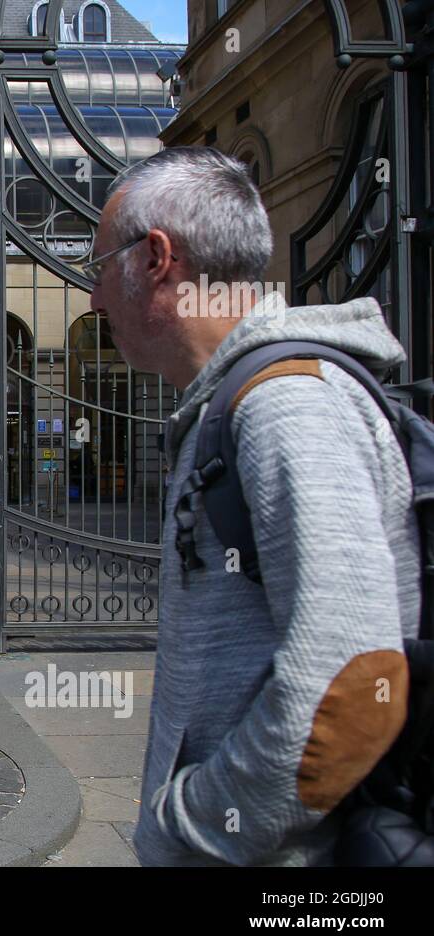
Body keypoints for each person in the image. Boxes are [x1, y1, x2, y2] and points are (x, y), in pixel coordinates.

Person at [88, 147, 416, 866]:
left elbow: (354, 684)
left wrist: (195, 822)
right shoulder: (233, 400)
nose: (93, 300)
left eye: (99, 269)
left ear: (155, 259)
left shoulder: (285, 405)